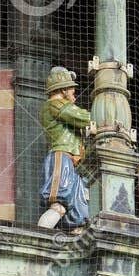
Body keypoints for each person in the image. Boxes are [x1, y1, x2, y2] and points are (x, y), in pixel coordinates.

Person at [37, 66, 95, 230]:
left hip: (73, 165)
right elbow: (82, 117)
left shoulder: (57, 105)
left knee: (78, 217)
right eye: (71, 90)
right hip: (61, 159)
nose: (73, 94)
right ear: (63, 90)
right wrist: (98, 119)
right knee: (59, 206)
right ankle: (42, 240)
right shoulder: (55, 104)